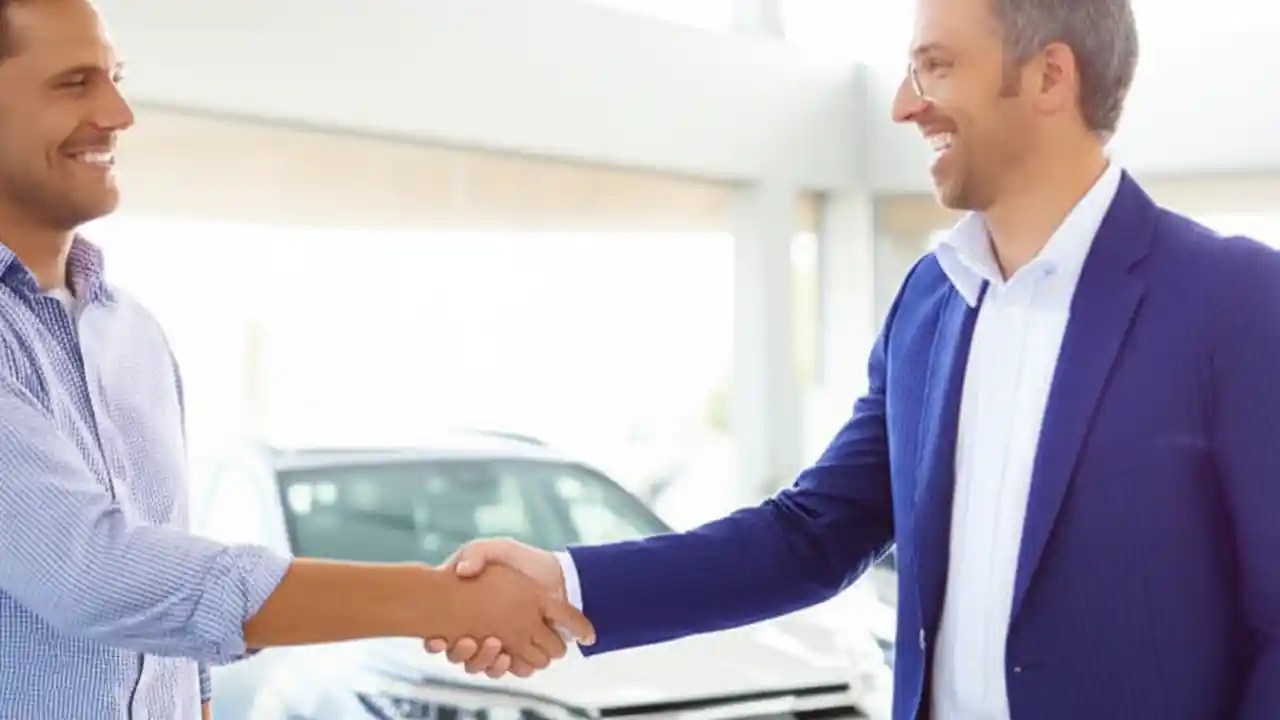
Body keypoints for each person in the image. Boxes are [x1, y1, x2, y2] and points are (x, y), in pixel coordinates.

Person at [428, 0, 1280, 718]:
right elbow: (811, 536)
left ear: (1051, 76)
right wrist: (567, 583)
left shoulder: (1233, 299)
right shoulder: (930, 304)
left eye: (936, 67)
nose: (907, 107)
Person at [0, 1, 594, 718]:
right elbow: (95, 574)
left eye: (116, 77)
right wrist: (441, 599)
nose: (120, 112)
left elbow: (172, 612)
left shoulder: (136, 336)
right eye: (75, 82)